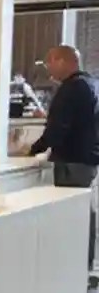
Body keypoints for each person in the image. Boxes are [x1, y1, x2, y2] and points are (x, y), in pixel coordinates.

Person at [30, 45, 99, 279]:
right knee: (82, 211)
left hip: (72, 161)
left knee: (71, 215)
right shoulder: (91, 84)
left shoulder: (71, 88)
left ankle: (72, 270)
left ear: (61, 60)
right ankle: (84, 267)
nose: (49, 69)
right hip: (88, 159)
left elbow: (58, 128)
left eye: (50, 62)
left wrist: (33, 150)